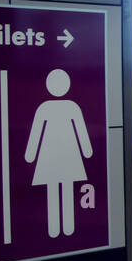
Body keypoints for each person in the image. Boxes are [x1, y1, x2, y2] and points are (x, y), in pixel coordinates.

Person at [24, 68, 92, 237]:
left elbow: (36, 133)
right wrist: (86, 151)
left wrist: (30, 154)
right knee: (64, 189)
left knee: (54, 190)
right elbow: (81, 131)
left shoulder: (44, 108)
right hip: (69, 156)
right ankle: (66, 227)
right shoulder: (71, 107)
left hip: (51, 157)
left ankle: (55, 229)